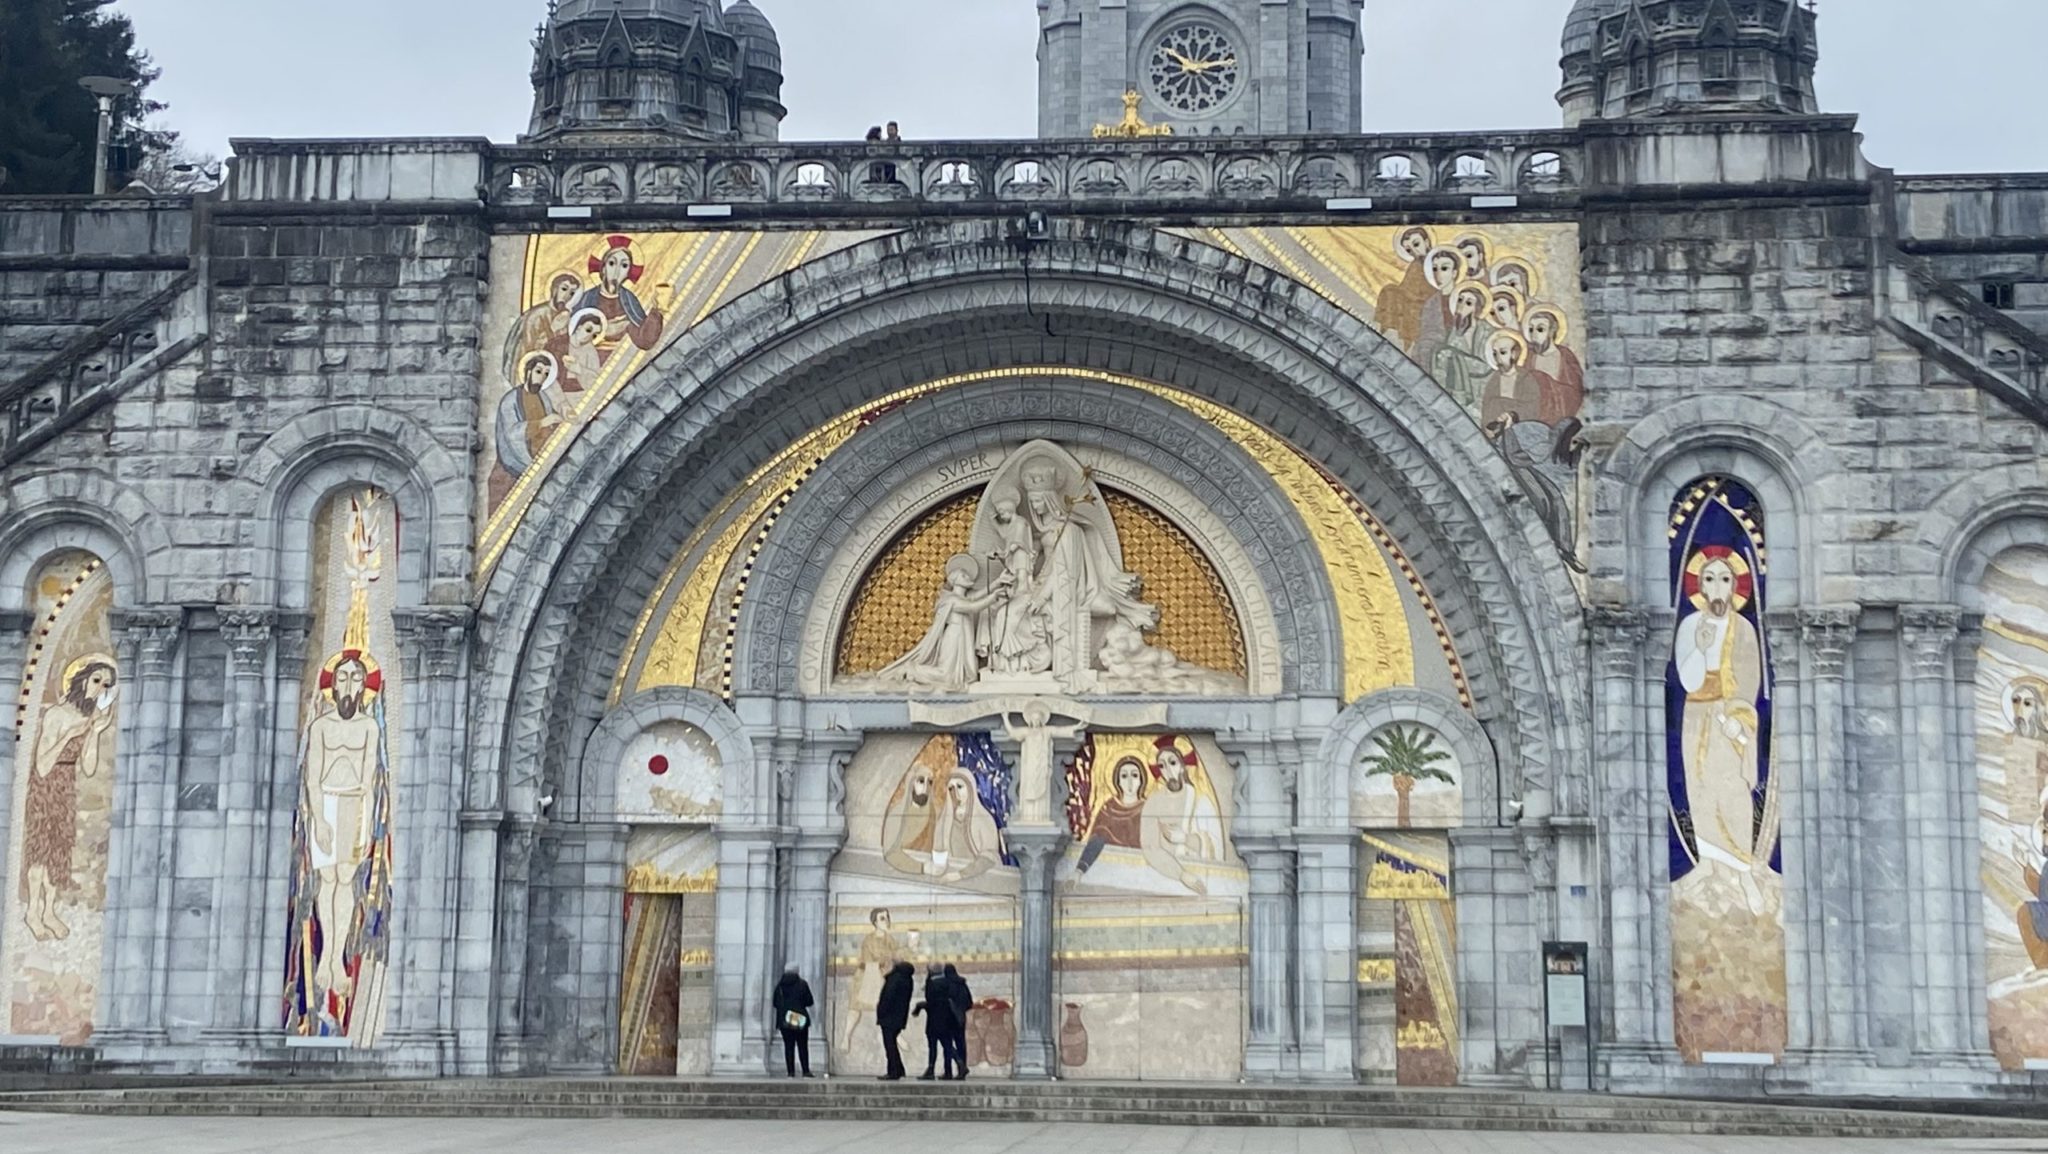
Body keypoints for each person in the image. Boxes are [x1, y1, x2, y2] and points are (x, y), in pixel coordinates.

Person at [913, 965, 957, 1080]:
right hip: (947, 1019)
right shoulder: (948, 983)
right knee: (947, 1045)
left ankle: (931, 1069)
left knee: (933, 1046)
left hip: (934, 1019)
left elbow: (932, 1002)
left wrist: (920, 1006)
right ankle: (950, 1070)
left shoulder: (932, 985)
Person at [772, 964, 815, 1078]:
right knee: (802, 1046)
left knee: (788, 1046)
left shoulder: (780, 986)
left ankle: (790, 1072)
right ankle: (805, 1070)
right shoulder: (802, 984)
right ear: (797, 971)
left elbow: (775, 1003)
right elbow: (810, 1001)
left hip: (785, 1022)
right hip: (800, 1021)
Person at [876, 960, 916, 1080]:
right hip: (899, 1017)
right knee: (892, 1043)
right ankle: (898, 1069)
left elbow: (887, 998)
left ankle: (893, 1071)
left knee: (890, 1045)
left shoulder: (895, 979)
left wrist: (880, 1012)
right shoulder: (908, 980)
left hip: (889, 1017)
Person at [943, 963, 974, 1079]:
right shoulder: (962, 984)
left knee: (947, 1043)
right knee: (961, 1043)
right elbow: (969, 1002)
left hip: (948, 1018)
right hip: (961, 1018)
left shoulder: (946, 984)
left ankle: (949, 1071)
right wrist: (961, 1010)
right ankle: (962, 1068)